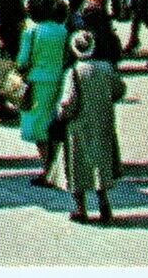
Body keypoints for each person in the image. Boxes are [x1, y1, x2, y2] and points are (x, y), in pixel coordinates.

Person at [52, 27, 126, 225]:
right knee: (100, 166)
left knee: (78, 168)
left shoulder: (73, 72)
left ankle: (81, 210)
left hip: (79, 126)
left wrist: (60, 114)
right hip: (102, 122)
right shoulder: (105, 67)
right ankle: (105, 208)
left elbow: (69, 101)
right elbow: (119, 89)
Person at [14, 0, 70, 184]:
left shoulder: (32, 31)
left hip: (38, 82)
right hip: (60, 81)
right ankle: (57, 168)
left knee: (39, 128)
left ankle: (48, 171)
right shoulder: (63, 31)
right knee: (56, 125)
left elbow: (22, 61)